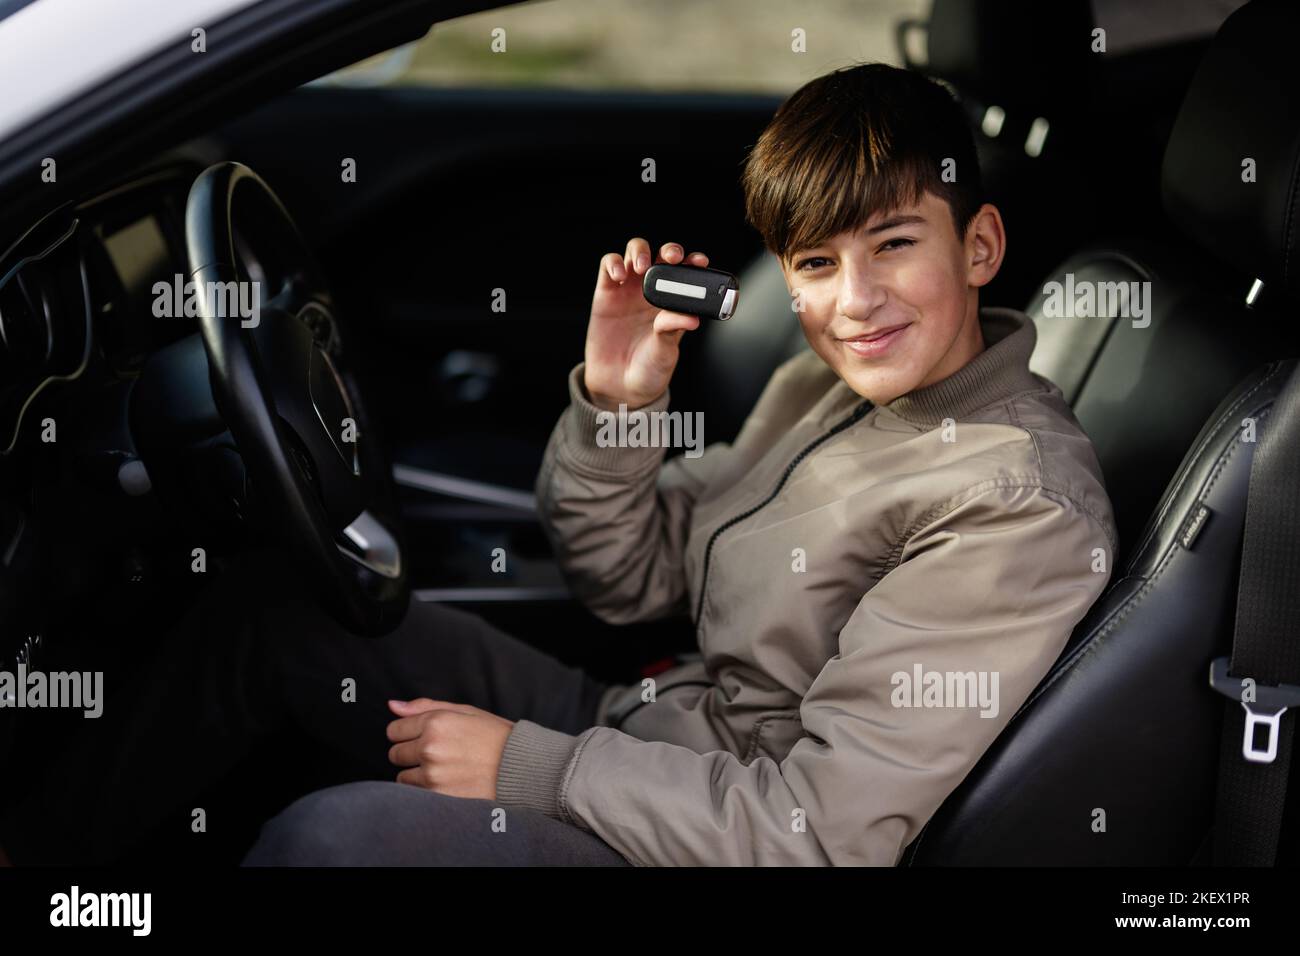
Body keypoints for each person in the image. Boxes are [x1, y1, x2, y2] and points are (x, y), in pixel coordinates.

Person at [2, 60, 1118, 866]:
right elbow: (626, 580)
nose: (851, 302)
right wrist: (621, 405)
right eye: (815, 262)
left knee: (334, 840)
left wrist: (531, 770)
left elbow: (819, 831)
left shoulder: (1009, 502)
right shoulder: (823, 387)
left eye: (893, 245)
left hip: (725, 833)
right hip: (653, 729)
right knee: (275, 614)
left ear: (978, 245)